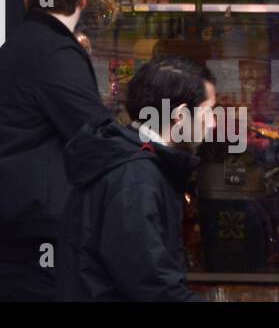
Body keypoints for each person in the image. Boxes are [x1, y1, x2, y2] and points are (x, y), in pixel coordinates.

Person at [0, 0, 107, 301]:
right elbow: (97, 137)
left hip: (6, 236)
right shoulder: (54, 51)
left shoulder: (18, 47)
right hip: (33, 241)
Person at [58, 55, 214, 301]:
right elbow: (150, 283)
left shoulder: (134, 161)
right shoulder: (136, 177)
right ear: (181, 115)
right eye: (209, 112)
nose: (213, 123)